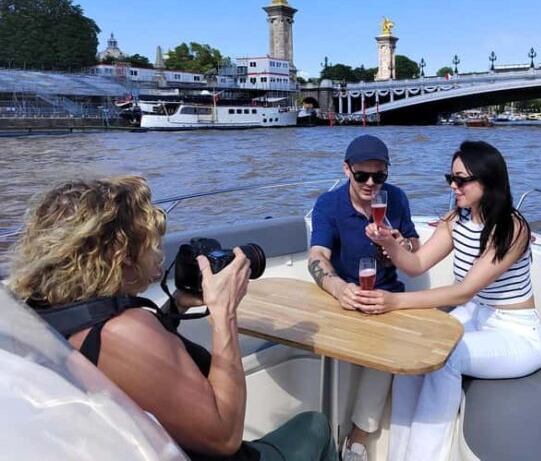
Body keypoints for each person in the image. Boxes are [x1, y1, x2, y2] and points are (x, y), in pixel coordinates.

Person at [8, 176, 336, 461]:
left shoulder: (39, 311)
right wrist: (224, 314)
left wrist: (174, 308)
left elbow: (129, 366)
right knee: (315, 426)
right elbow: (225, 437)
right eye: (152, 243)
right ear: (123, 257)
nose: (159, 253)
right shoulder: (124, 328)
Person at [360, 140, 541, 461]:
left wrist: (394, 302)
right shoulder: (455, 220)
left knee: (447, 357)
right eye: (451, 177)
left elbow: (464, 291)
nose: (453, 185)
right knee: (413, 347)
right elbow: (417, 263)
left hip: (517, 333)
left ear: (487, 180)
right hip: (474, 314)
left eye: (461, 180)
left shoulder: (511, 229)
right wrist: (390, 245)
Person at [308, 134, 420, 461]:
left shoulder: (395, 199)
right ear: (347, 170)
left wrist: (398, 246)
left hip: (387, 294)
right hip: (341, 294)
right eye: (362, 175)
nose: (371, 183)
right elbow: (317, 255)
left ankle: (357, 438)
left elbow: (414, 245)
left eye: (379, 176)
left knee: (392, 347)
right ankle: (324, 427)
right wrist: (339, 288)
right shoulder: (328, 204)